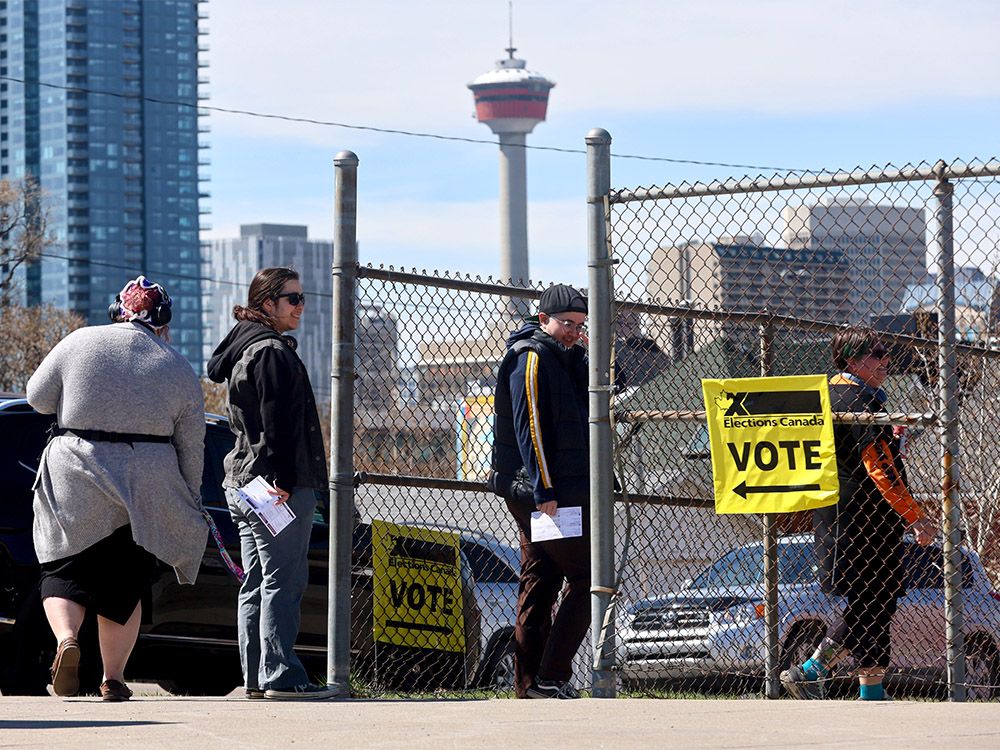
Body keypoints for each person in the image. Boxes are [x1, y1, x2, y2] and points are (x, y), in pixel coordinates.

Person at [26, 275, 208, 702]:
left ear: (116, 311)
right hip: (145, 482)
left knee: (62, 567)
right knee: (124, 581)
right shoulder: (177, 366)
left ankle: (67, 639)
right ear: (162, 320)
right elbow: (192, 446)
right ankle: (114, 677)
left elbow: (36, 397)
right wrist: (190, 497)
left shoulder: (78, 342)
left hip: (75, 469)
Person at [781, 325, 937, 701]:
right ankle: (812, 669)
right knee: (875, 597)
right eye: (876, 354)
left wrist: (893, 434)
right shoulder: (857, 400)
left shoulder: (835, 394)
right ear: (852, 359)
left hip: (841, 515)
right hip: (866, 518)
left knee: (876, 599)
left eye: (885, 353)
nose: (886, 361)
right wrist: (914, 515)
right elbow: (878, 466)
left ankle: (871, 689)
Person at [207, 267, 335, 701]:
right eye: (293, 299)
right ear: (267, 304)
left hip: (243, 482)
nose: (301, 306)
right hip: (274, 486)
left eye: (302, 298)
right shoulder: (271, 353)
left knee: (258, 580)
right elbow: (276, 424)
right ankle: (281, 675)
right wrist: (280, 478)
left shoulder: (246, 349)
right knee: (284, 577)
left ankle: (256, 679)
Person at [487, 284, 591, 699]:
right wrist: (543, 488)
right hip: (543, 491)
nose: (572, 331)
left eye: (579, 326)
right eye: (566, 323)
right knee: (588, 578)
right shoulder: (530, 356)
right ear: (543, 318)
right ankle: (551, 675)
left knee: (542, 577)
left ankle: (530, 683)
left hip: (551, 489)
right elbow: (529, 426)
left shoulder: (567, 357)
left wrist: (587, 353)